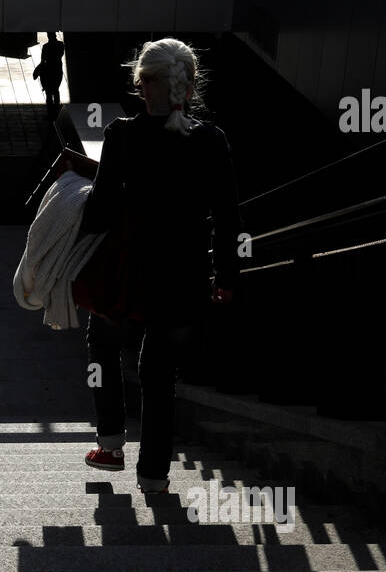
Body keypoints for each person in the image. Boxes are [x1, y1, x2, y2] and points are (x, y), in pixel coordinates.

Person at [78, 38, 241, 493]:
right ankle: (154, 477)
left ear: (145, 85)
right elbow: (228, 216)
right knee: (159, 373)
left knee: (103, 342)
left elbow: (100, 213)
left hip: (127, 276)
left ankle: (110, 445)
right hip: (185, 278)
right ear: (187, 87)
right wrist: (226, 277)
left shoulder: (122, 136)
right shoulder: (211, 140)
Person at [32, 30, 66, 118]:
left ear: (48, 36)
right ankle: (56, 112)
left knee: (49, 93)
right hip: (57, 70)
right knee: (55, 90)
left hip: (48, 71)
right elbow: (59, 55)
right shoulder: (60, 44)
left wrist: (38, 70)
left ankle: (51, 113)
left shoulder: (46, 47)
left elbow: (43, 60)